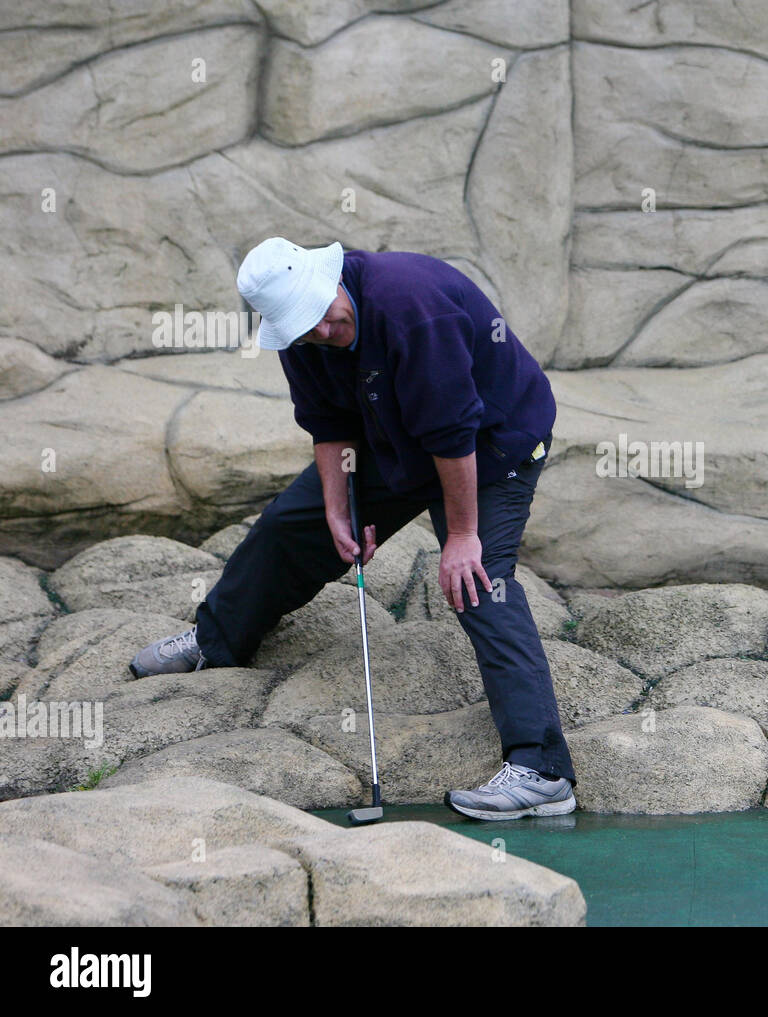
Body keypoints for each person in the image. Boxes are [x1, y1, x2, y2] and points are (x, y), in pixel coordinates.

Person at [129, 237, 576, 821]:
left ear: (330, 281)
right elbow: (328, 421)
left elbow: (452, 432)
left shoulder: (412, 306)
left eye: (322, 318)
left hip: (491, 444)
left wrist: (462, 537)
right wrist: (337, 510)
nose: (320, 333)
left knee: (479, 582)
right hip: (392, 435)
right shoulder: (303, 333)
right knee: (289, 525)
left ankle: (542, 773)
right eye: (302, 328)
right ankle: (217, 642)